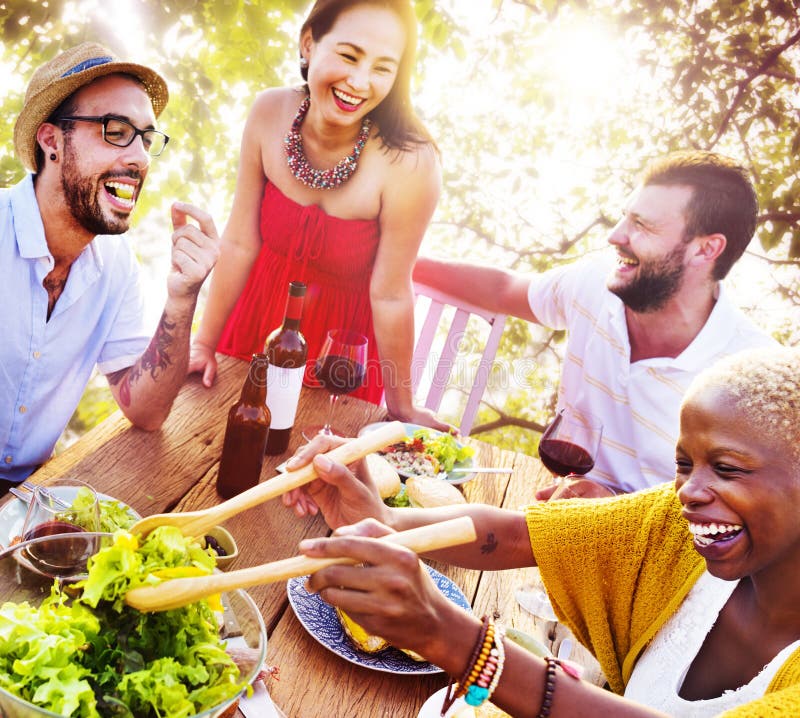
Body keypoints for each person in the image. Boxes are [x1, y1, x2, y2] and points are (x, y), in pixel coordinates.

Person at [286, 346, 800, 717]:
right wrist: (387, 520)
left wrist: (455, 638)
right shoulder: (676, 526)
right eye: (685, 463)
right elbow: (517, 535)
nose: (689, 490)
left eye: (728, 469)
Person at [413, 151, 777, 497]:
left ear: (705, 250)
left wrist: (612, 515)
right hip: (556, 512)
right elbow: (504, 289)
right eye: (625, 217)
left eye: (642, 226)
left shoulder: (755, 380)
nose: (616, 235)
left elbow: (749, 519)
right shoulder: (597, 282)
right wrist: (395, 258)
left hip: (656, 556)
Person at [188, 0, 448, 430]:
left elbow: (391, 293)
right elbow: (239, 242)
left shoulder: (412, 162)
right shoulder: (268, 112)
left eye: (383, 68)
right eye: (348, 56)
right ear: (309, 44)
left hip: (340, 357)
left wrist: (403, 406)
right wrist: (204, 342)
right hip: (252, 329)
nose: (360, 82)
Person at [0, 42, 220, 494]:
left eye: (145, 137)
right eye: (115, 129)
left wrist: (181, 300)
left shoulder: (117, 266)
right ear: (51, 141)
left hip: (26, 497)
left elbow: (146, 411)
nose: (139, 157)